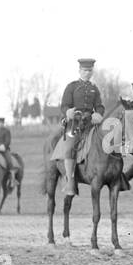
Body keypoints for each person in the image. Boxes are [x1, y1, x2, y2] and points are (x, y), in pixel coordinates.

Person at [53, 59, 106, 197]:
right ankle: (70, 181)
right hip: (75, 124)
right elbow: (64, 105)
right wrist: (68, 112)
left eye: (90, 71)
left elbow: (99, 105)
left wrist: (99, 114)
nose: (87, 73)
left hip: (90, 124)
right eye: (85, 70)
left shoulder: (94, 88)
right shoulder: (72, 87)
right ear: (79, 70)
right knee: (70, 146)